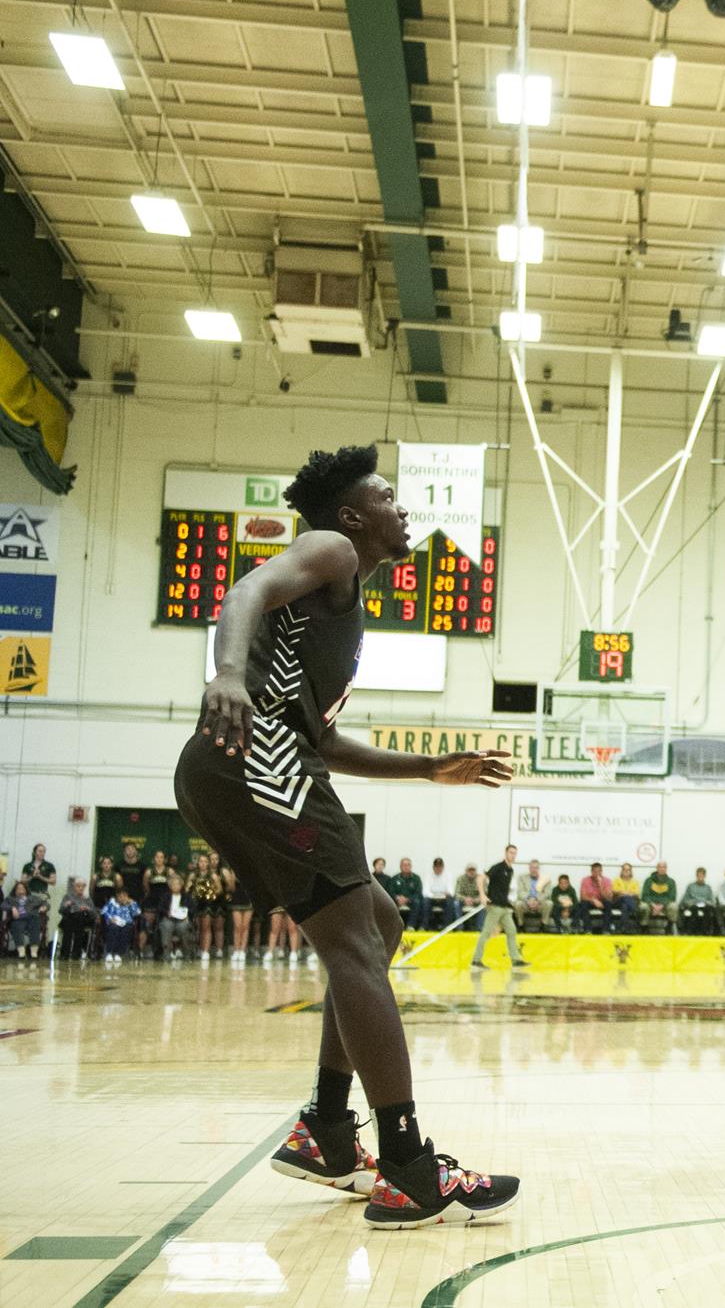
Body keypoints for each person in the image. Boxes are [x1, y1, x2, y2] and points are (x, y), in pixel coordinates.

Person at [174, 444, 517, 1228]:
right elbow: (245, 591)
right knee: (358, 944)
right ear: (354, 516)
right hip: (256, 755)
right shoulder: (328, 549)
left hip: (264, 759)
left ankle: (329, 1129)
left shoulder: (339, 605)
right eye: (389, 496)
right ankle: (405, 1166)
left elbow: (325, 746)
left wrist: (429, 769)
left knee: (377, 926)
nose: (404, 508)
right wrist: (226, 672)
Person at [471, 846, 527, 970]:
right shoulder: (498, 867)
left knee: (511, 930)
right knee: (486, 933)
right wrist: (482, 895)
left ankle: (516, 959)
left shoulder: (510, 870)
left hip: (505, 907)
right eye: (511, 853)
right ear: (506, 853)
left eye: (515, 854)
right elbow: (480, 878)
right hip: (495, 906)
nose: (513, 855)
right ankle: (476, 960)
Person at [57, 879, 99, 961]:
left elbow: (94, 914)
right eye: (78, 886)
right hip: (70, 920)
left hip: (83, 920)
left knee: (79, 916)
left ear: (84, 887)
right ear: (74, 887)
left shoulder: (87, 898)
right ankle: (68, 954)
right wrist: (66, 905)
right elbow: (60, 910)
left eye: (82, 886)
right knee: (70, 921)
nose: (80, 888)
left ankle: (73, 953)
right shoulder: (68, 897)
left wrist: (87, 909)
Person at [159, 874, 193, 959]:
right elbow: (160, 908)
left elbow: (192, 909)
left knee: (183, 927)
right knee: (166, 926)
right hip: (169, 918)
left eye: (177, 884)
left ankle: (186, 952)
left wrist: (187, 914)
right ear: (170, 886)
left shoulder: (186, 896)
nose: (175, 886)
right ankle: (166, 954)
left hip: (183, 919)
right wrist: (167, 913)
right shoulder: (165, 896)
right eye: (173, 884)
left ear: (181, 885)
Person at [101, 888, 139, 964]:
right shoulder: (111, 903)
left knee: (127, 929)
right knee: (113, 928)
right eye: (120, 896)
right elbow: (104, 911)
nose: (122, 898)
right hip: (114, 922)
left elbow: (136, 913)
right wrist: (110, 918)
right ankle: (109, 953)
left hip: (127, 923)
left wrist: (132, 903)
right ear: (117, 896)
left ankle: (119, 953)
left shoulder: (131, 903)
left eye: (125, 896)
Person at [638, 863, 677, 933]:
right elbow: (645, 895)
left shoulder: (671, 881)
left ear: (666, 869)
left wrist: (661, 905)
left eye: (664, 867)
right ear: (657, 868)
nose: (662, 869)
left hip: (664, 906)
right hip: (651, 905)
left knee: (673, 906)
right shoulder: (649, 880)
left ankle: (669, 927)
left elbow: (672, 897)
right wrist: (653, 905)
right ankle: (644, 928)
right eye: (660, 867)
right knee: (643, 906)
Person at [385, 859, 423, 929]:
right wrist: (398, 898)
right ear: (400, 866)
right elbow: (390, 891)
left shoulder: (416, 878)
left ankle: (411, 925)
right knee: (390, 903)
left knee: (417, 902)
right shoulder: (394, 878)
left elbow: (418, 893)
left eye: (408, 865)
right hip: (397, 900)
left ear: (411, 866)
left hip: (411, 901)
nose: (406, 867)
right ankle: (393, 927)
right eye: (404, 865)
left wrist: (407, 899)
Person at [579, 862, 615, 935]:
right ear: (591, 872)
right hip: (590, 901)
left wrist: (600, 885)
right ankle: (588, 930)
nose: (597, 873)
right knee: (583, 904)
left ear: (602, 871)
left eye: (599, 871)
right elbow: (582, 896)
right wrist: (593, 900)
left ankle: (606, 930)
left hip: (602, 901)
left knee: (608, 904)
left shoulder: (607, 880)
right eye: (595, 871)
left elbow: (607, 897)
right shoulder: (585, 880)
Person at [681, 868, 718, 936]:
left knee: (708, 910)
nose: (700, 878)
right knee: (694, 909)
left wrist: (705, 902)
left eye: (702, 876)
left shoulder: (708, 888)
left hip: (705, 906)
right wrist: (694, 902)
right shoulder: (690, 886)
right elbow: (685, 900)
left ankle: (704, 932)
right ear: (696, 876)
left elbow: (712, 902)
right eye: (699, 876)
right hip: (693, 905)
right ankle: (692, 932)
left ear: (704, 876)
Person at [421, 858, 455, 930]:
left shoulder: (448, 875)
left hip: (444, 899)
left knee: (450, 901)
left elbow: (451, 892)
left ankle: (447, 927)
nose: (438, 868)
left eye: (440, 866)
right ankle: (425, 926)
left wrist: (443, 895)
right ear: (433, 867)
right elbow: (425, 892)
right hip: (432, 899)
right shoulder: (428, 876)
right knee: (425, 901)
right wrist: (435, 896)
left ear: (443, 867)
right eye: (436, 866)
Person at [614, 863, 644, 934]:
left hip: (628, 902)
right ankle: (636, 910)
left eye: (628, 870)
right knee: (625, 898)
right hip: (618, 901)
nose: (626, 871)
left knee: (625, 906)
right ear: (621, 871)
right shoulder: (617, 880)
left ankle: (624, 928)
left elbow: (636, 893)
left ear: (631, 871)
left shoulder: (635, 882)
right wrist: (628, 893)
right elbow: (615, 890)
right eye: (624, 869)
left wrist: (623, 893)